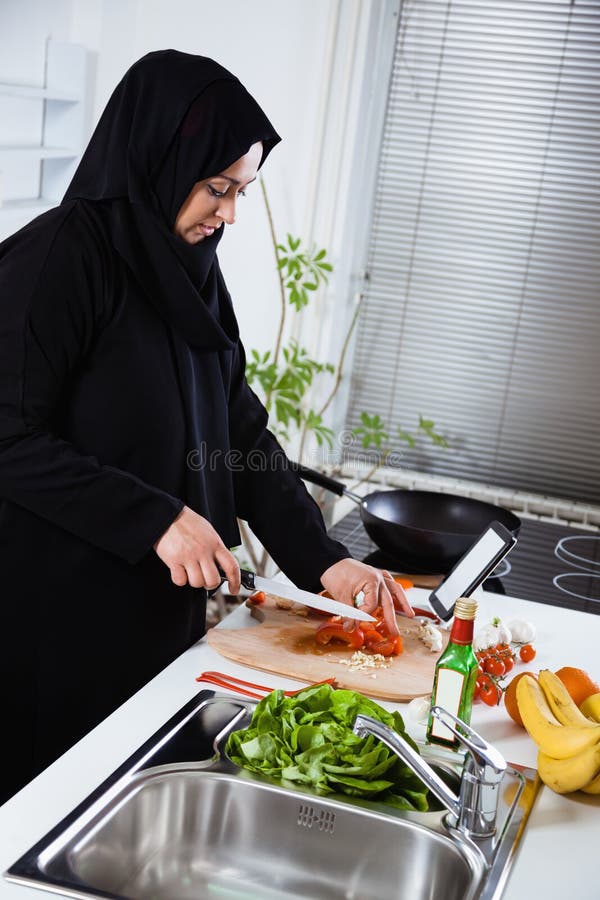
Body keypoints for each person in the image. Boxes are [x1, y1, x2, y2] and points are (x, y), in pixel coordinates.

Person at [0, 50, 413, 805]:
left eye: (240, 191)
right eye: (216, 188)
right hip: (49, 630)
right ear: (162, 157)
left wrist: (325, 563)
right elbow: (6, 439)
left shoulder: (193, 270)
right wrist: (155, 518)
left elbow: (239, 434)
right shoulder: (59, 258)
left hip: (157, 625)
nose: (228, 214)